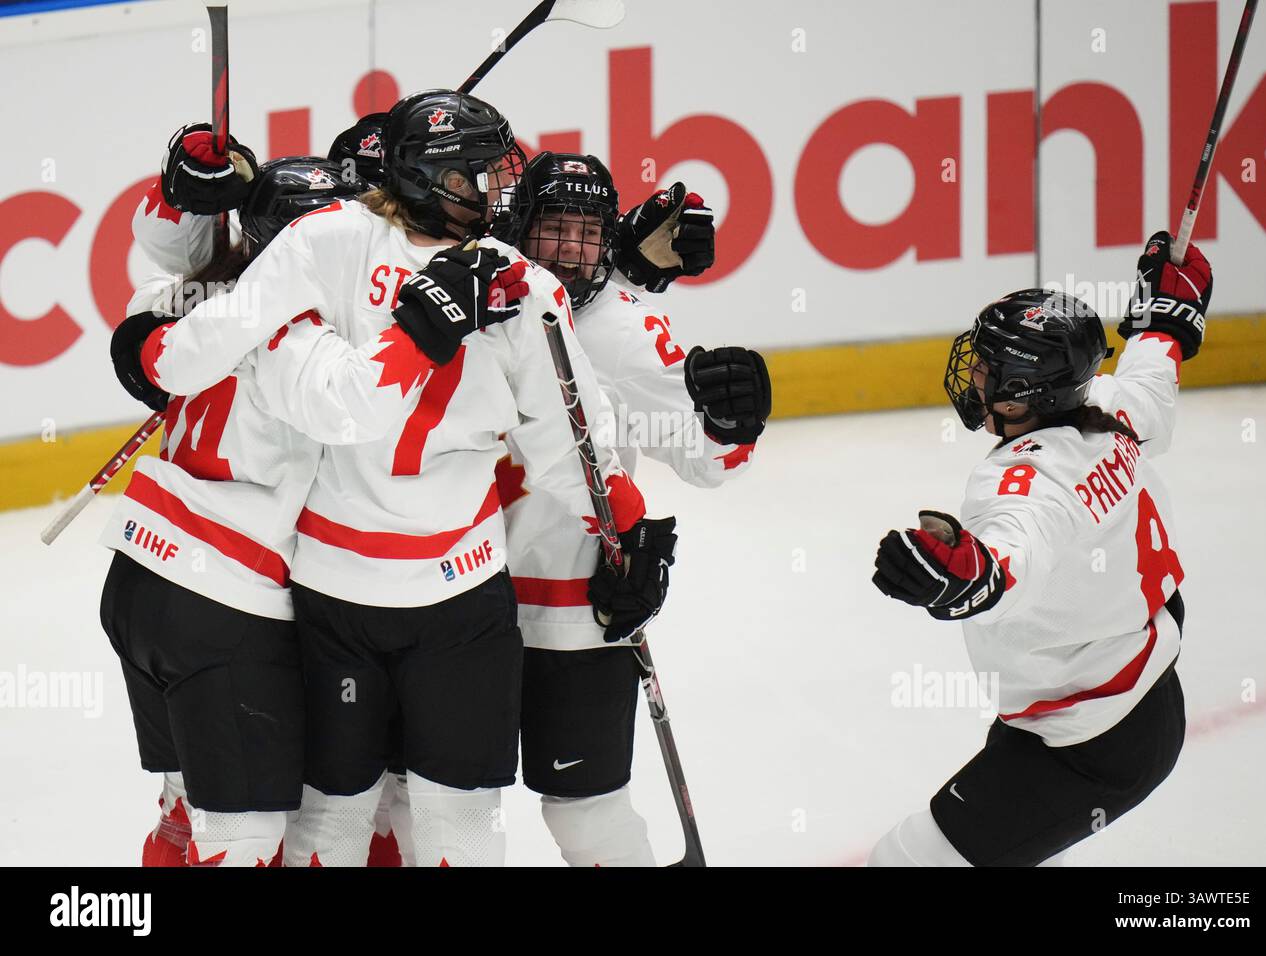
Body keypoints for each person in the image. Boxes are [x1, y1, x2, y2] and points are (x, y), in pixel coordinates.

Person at [117, 90, 668, 866]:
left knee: (366, 827)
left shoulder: (327, 241)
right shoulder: (510, 282)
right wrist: (625, 530)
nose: (496, 188)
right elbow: (566, 453)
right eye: (476, 172)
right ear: (427, 176)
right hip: (418, 598)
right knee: (417, 827)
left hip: (366, 594)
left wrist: (148, 354)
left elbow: (205, 336)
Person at [868, 232, 1211, 866]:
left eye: (989, 367)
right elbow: (1151, 386)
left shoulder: (1026, 479)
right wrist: (1165, 322)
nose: (972, 372)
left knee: (906, 860)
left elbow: (1016, 553)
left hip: (1088, 742)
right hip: (1129, 698)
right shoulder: (1107, 406)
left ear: (1025, 393)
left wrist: (968, 577)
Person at [470, 153, 769, 866]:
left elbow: (709, 457)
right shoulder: (467, 293)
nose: (571, 251)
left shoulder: (622, 329)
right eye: (553, 229)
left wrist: (734, 423)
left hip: (573, 605)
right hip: (456, 601)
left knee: (586, 811)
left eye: (588, 232)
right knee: (441, 809)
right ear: (517, 224)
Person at [106, 129, 366, 866]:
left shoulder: (193, 301)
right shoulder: (315, 344)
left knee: (184, 813)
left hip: (139, 579)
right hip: (224, 600)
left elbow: (163, 272)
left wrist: (190, 192)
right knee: (246, 838)